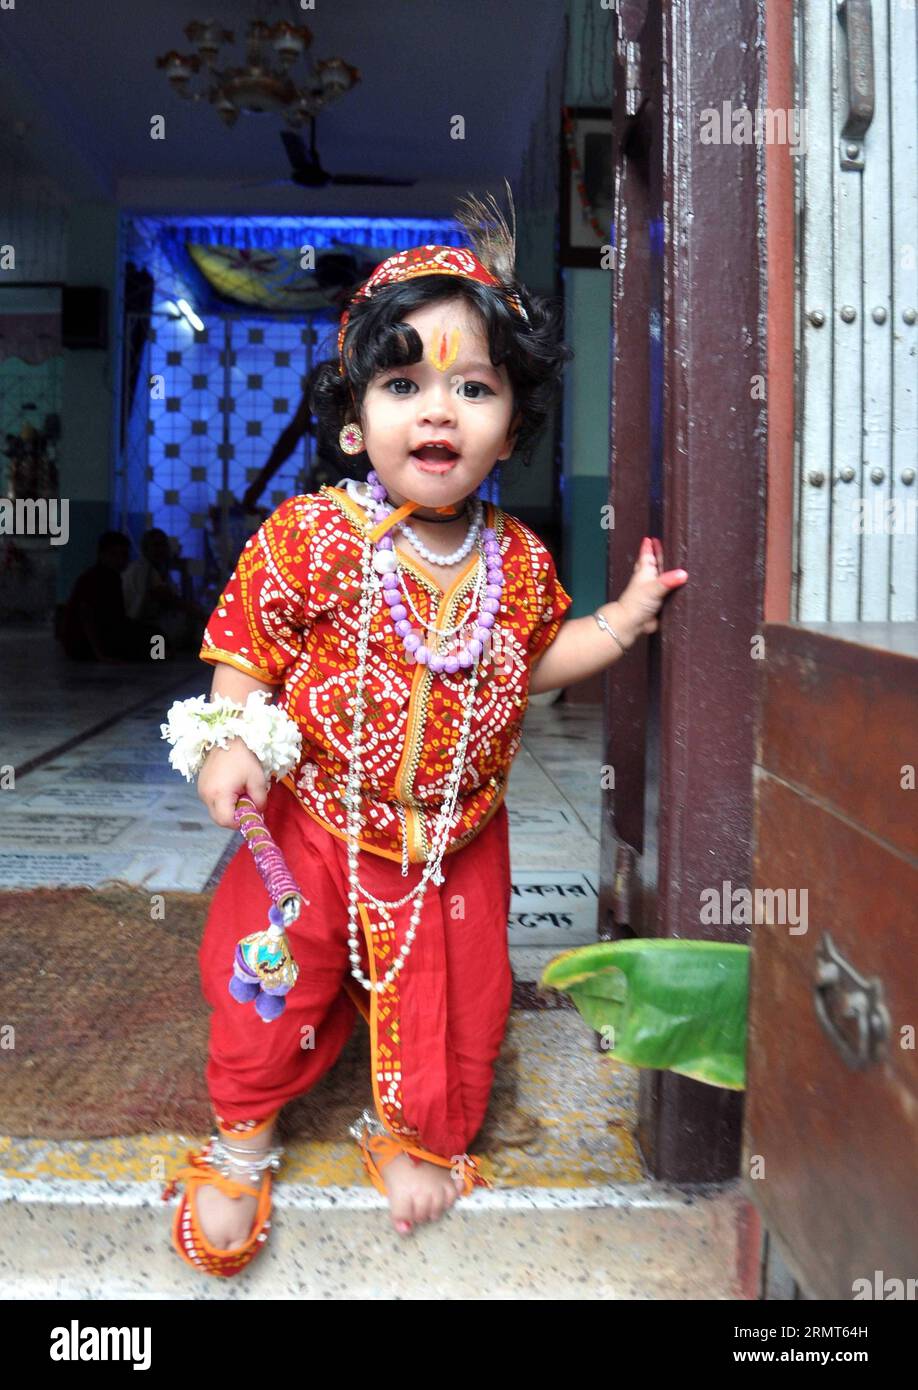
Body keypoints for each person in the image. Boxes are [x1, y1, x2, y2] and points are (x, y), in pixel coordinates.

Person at [160, 189, 689, 1279]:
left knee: (459, 1005)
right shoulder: (313, 537)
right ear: (356, 423)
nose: (436, 410)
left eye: (473, 387)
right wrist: (233, 743)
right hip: (314, 828)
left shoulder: (521, 563)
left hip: (454, 840)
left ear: (510, 425)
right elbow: (244, 652)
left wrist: (623, 623)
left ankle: (417, 1134)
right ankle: (244, 1137)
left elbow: (535, 661)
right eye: (404, 384)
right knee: (271, 980)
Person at [59, 531, 151, 663]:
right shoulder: (96, 578)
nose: (120, 560)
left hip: (97, 640)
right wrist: (100, 655)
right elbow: (86, 615)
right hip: (84, 645)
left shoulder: (111, 577)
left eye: (124, 555)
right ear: (102, 555)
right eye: (114, 555)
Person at [122, 528, 206, 652]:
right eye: (156, 545)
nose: (161, 550)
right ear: (145, 549)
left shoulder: (156, 570)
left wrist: (183, 571)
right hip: (138, 626)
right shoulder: (142, 569)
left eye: (163, 545)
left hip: (147, 625)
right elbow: (171, 600)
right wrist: (203, 616)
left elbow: (180, 599)